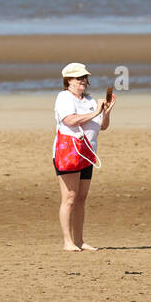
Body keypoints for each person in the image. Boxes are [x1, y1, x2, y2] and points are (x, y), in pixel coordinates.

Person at [53, 62, 113, 252]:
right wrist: (95, 112)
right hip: (69, 152)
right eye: (80, 78)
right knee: (69, 197)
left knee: (81, 197)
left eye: (85, 78)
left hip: (87, 153)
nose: (84, 82)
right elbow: (69, 120)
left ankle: (79, 241)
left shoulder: (89, 100)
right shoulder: (64, 97)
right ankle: (67, 241)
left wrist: (106, 112)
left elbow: (102, 126)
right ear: (69, 80)